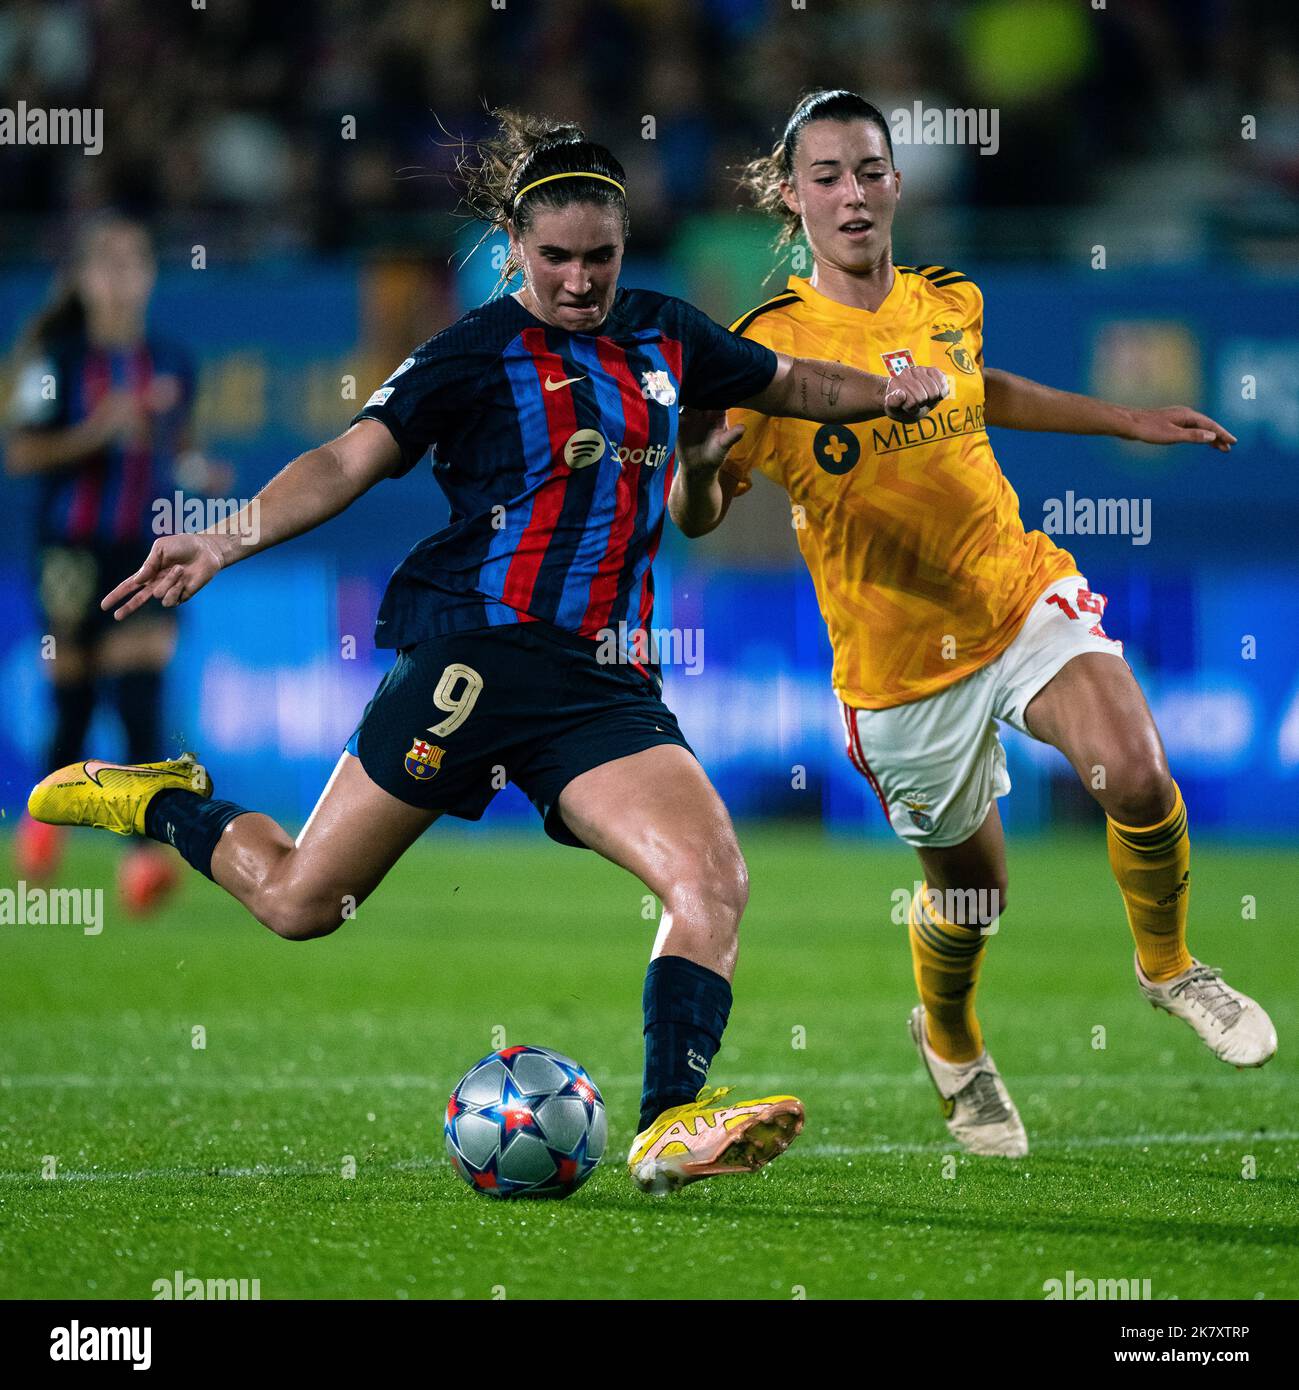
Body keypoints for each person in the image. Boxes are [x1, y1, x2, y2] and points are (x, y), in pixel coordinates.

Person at [28, 109, 954, 1193]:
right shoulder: (470, 353)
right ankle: (161, 799)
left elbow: (792, 383)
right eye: (554, 257)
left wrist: (888, 389)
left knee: (712, 877)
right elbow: (345, 459)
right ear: (514, 247)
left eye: (599, 257)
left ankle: (667, 1122)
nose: (577, 280)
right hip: (474, 654)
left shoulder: (665, 333)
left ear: (623, 248)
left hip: (603, 681)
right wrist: (227, 538)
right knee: (298, 904)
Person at [672, 89, 1276, 1158]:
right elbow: (700, 516)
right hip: (898, 668)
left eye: (869, 170)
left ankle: (1171, 963)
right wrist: (701, 467)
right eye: (826, 176)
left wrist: (1126, 415)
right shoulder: (765, 347)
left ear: (898, 181)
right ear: (791, 195)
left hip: (1015, 592)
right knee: (974, 892)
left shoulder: (948, 294)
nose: (852, 194)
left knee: (1132, 770)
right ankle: (951, 1040)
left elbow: (980, 388)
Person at [6, 214, 217, 913]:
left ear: (151, 275)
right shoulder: (55, 362)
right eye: (111, 265)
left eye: (137, 263)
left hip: (144, 547)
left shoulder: (175, 361)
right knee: (73, 699)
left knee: (138, 697)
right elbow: (21, 452)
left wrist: (198, 469)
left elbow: (179, 449)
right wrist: (95, 432)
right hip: (70, 548)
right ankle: (44, 821)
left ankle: (140, 860)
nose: (125, 279)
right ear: (87, 278)